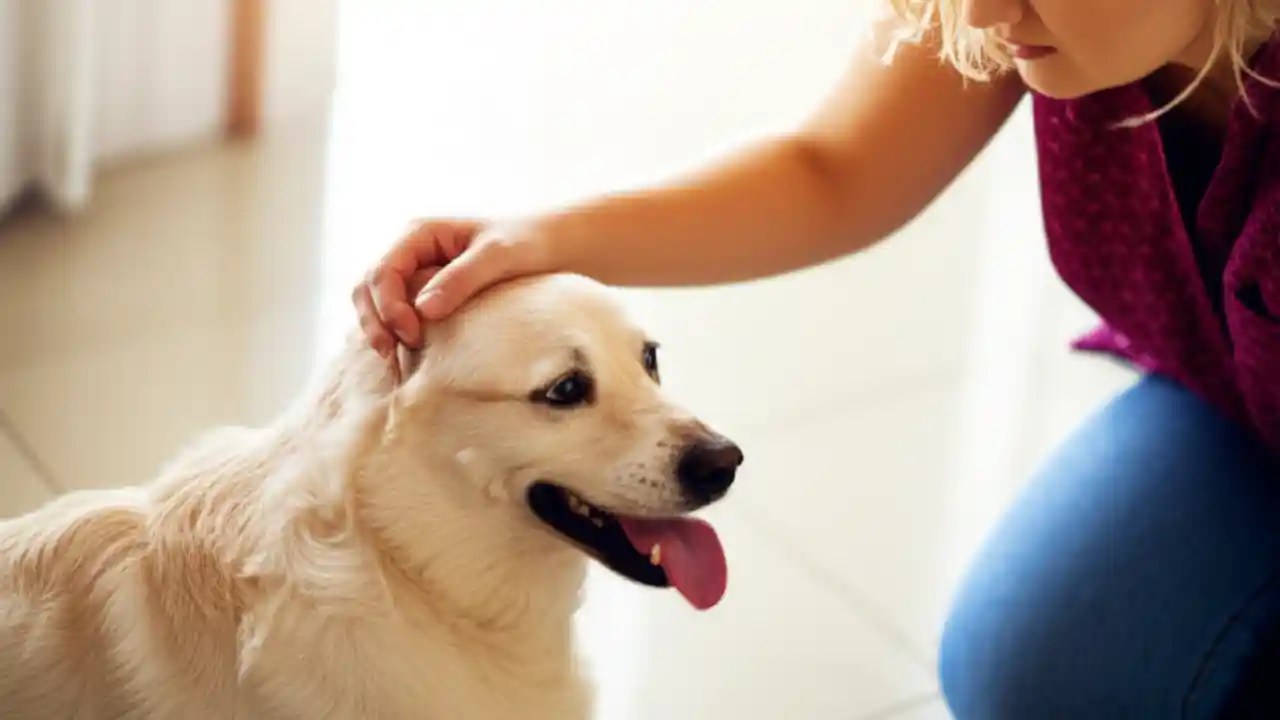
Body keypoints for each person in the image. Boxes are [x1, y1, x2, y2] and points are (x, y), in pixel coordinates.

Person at [353, 1, 1280, 716]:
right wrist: (535, 242)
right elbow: (835, 170)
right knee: (1032, 670)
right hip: (1228, 386)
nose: (983, 13)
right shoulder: (1020, 15)